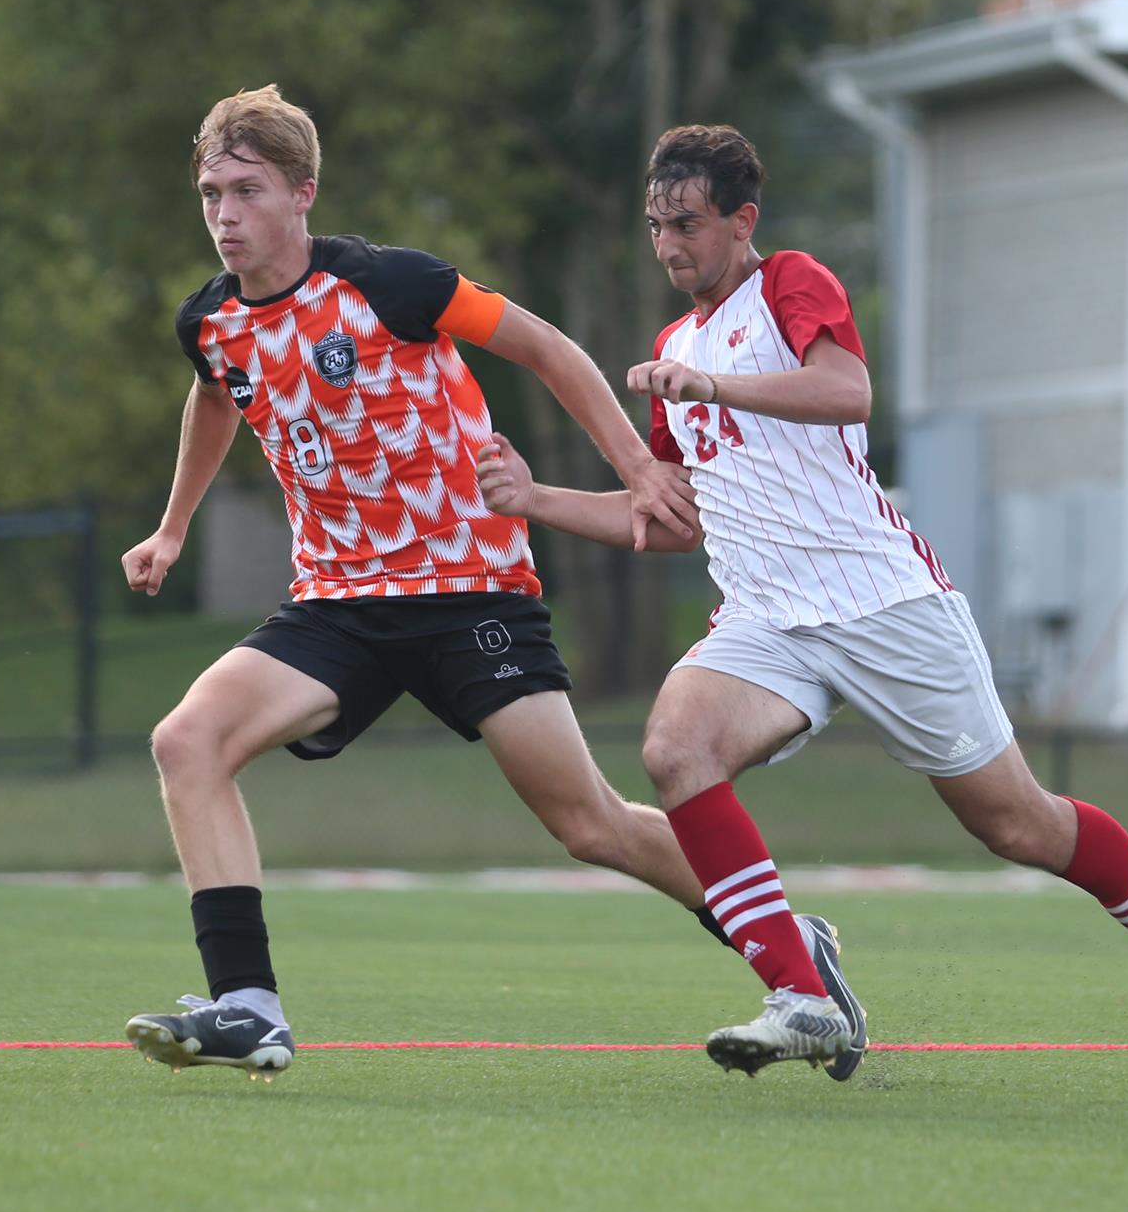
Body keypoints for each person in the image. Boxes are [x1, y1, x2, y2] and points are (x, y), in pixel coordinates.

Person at [476, 123, 1128, 1088]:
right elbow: (674, 518)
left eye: (687, 222)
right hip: (765, 616)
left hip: (880, 598)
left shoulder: (790, 282)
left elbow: (847, 392)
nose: (670, 243)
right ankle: (801, 989)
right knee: (675, 750)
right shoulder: (672, 347)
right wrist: (533, 501)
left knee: (1017, 823)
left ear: (742, 220)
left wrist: (713, 382)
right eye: (654, 225)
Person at [118, 86, 864, 1083]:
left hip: (470, 589)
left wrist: (636, 469)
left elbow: (546, 348)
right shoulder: (208, 322)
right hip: (336, 603)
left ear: (302, 194)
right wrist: (172, 525)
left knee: (588, 823)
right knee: (186, 739)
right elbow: (217, 396)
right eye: (210, 192)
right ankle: (247, 1004)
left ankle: (785, 943)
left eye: (246, 190)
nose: (224, 214)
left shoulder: (393, 284)